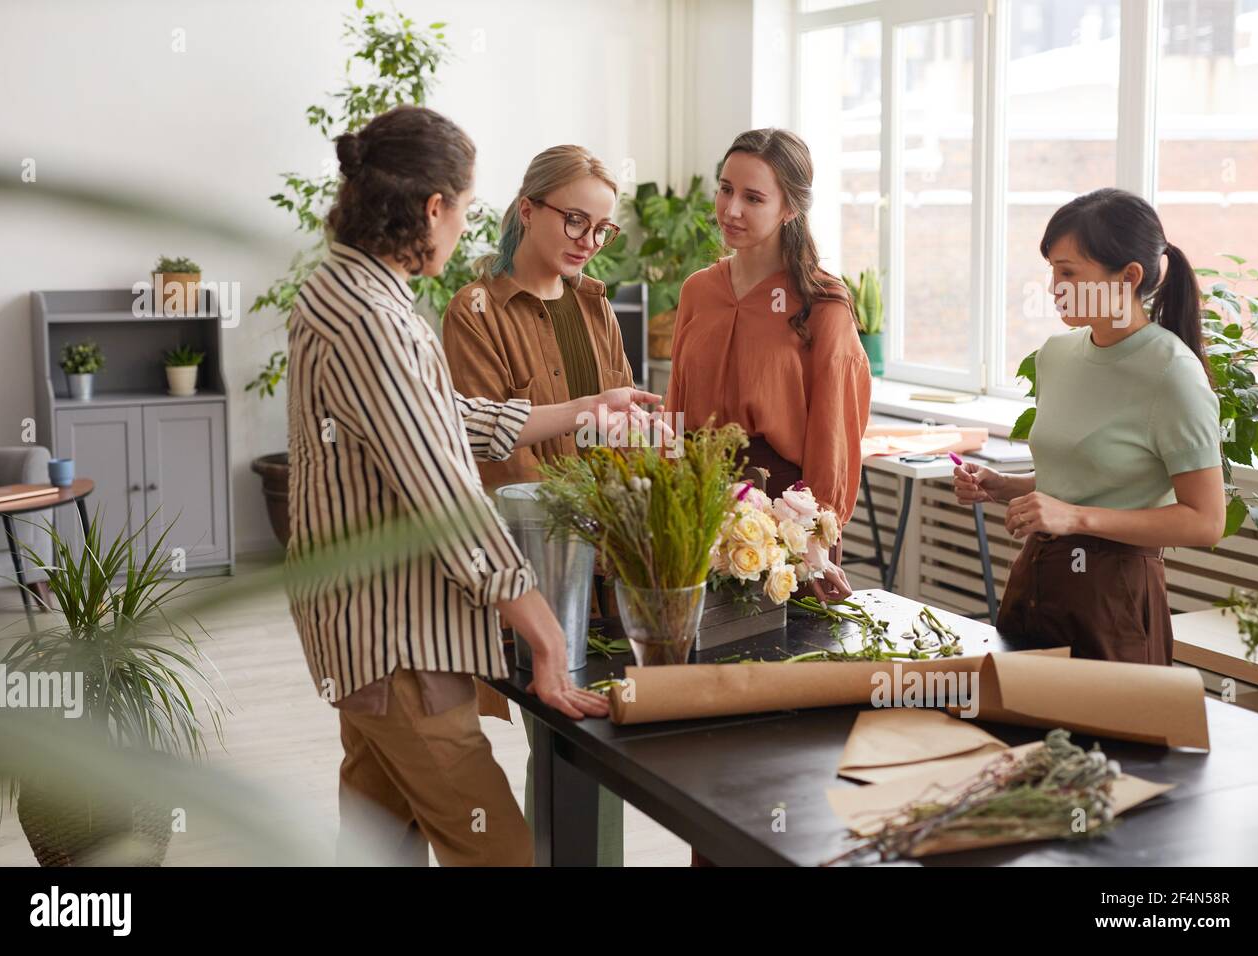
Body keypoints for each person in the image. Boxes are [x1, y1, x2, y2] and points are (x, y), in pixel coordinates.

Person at [285, 104, 658, 865]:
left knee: (377, 837)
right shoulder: (379, 322)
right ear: (432, 208)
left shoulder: (342, 290)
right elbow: (449, 503)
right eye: (462, 208)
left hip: (354, 624)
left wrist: (581, 410)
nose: (462, 229)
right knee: (501, 853)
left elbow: (442, 416)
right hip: (397, 634)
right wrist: (547, 636)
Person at [442, 144, 637, 866]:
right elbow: (495, 453)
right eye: (575, 221)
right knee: (555, 731)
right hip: (532, 560)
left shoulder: (594, 305)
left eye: (602, 230)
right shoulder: (476, 311)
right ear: (528, 210)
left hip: (611, 558)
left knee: (600, 733)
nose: (588, 242)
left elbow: (618, 431)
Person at [953, 188, 1224, 665]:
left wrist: (1075, 518)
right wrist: (1003, 487)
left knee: (1105, 740)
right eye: (1052, 271)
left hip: (1114, 602)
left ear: (1129, 276)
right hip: (1035, 581)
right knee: (1013, 734)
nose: (1053, 287)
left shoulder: (1172, 373)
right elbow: (1091, 479)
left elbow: (1206, 521)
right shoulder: (1056, 357)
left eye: (1068, 272)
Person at [666, 128, 871, 602]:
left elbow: (834, 435)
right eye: (725, 189)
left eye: (753, 197)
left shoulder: (824, 304)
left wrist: (816, 542)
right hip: (697, 509)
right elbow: (675, 411)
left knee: (782, 663)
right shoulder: (698, 290)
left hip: (787, 517)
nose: (731, 209)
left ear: (790, 208)